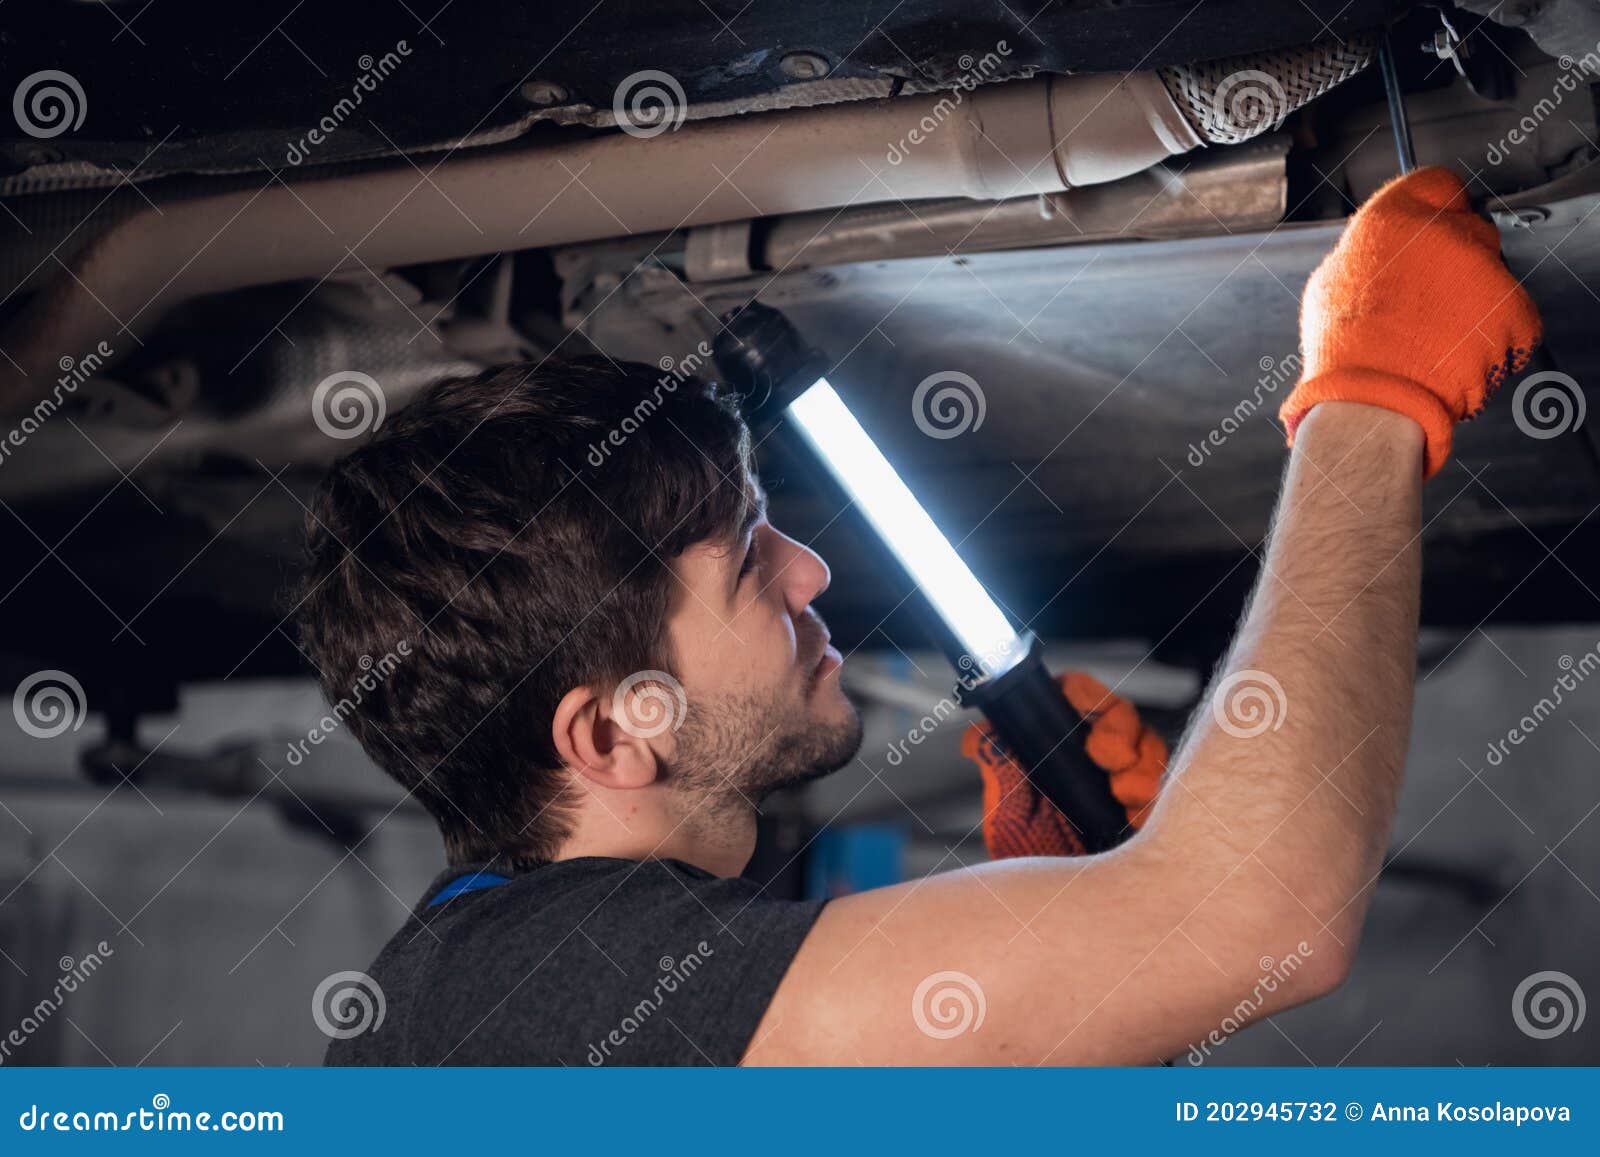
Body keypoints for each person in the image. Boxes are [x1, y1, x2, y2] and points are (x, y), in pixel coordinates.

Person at [300, 166, 1539, 1065]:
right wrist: (1372, 397)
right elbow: (1257, 918)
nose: (812, 575)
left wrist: (1067, 937)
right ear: (611, 735)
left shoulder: (509, 1001)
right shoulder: (536, 991)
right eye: (744, 564)